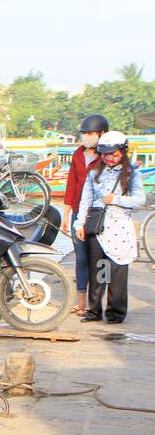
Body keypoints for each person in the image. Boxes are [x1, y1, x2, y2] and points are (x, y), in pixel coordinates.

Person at [75, 131, 145, 323]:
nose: (109, 157)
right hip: (98, 227)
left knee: (117, 273)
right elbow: (85, 199)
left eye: (113, 153)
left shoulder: (133, 174)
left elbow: (140, 199)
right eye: (105, 154)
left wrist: (117, 199)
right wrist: (79, 223)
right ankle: (94, 311)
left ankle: (115, 313)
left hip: (120, 227)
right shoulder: (94, 172)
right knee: (98, 271)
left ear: (123, 151)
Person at [63, 114, 107, 315]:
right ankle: (81, 302)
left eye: (90, 134)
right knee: (81, 258)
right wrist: (66, 214)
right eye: (84, 134)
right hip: (78, 213)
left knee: (101, 260)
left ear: (101, 134)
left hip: (100, 214)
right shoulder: (78, 155)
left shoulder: (108, 156)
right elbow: (71, 184)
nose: (86, 137)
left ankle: (97, 302)